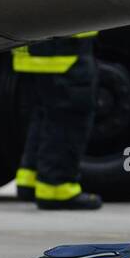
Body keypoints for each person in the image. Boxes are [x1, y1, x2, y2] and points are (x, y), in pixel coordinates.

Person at [12, 33, 103, 210]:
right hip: (64, 45)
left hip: (34, 46)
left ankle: (30, 181)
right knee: (69, 116)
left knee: (45, 113)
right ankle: (57, 188)